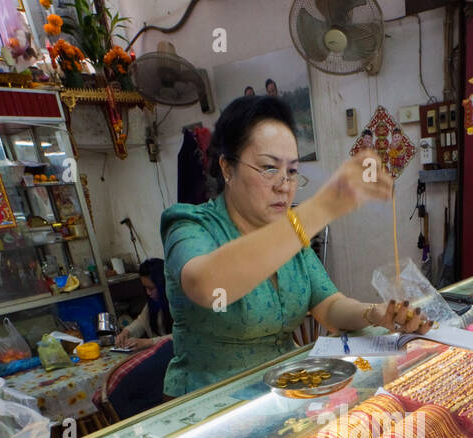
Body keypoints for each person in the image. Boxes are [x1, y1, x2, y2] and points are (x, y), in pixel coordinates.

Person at [160, 95, 429, 397]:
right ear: (227, 168)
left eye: (291, 171)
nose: (284, 185)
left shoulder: (287, 233)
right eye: (268, 168)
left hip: (283, 395)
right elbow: (208, 285)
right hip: (208, 409)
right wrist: (322, 207)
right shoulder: (189, 224)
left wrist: (376, 313)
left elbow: (328, 305)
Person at [116, 258, 172, 348]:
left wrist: (149, 342)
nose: (148, 293)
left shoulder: (179, 304)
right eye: (145, 288)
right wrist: (126, 332)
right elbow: (142, 322)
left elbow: (183, 336)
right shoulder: (153, 303)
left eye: (151, 288)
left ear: (163, 284)